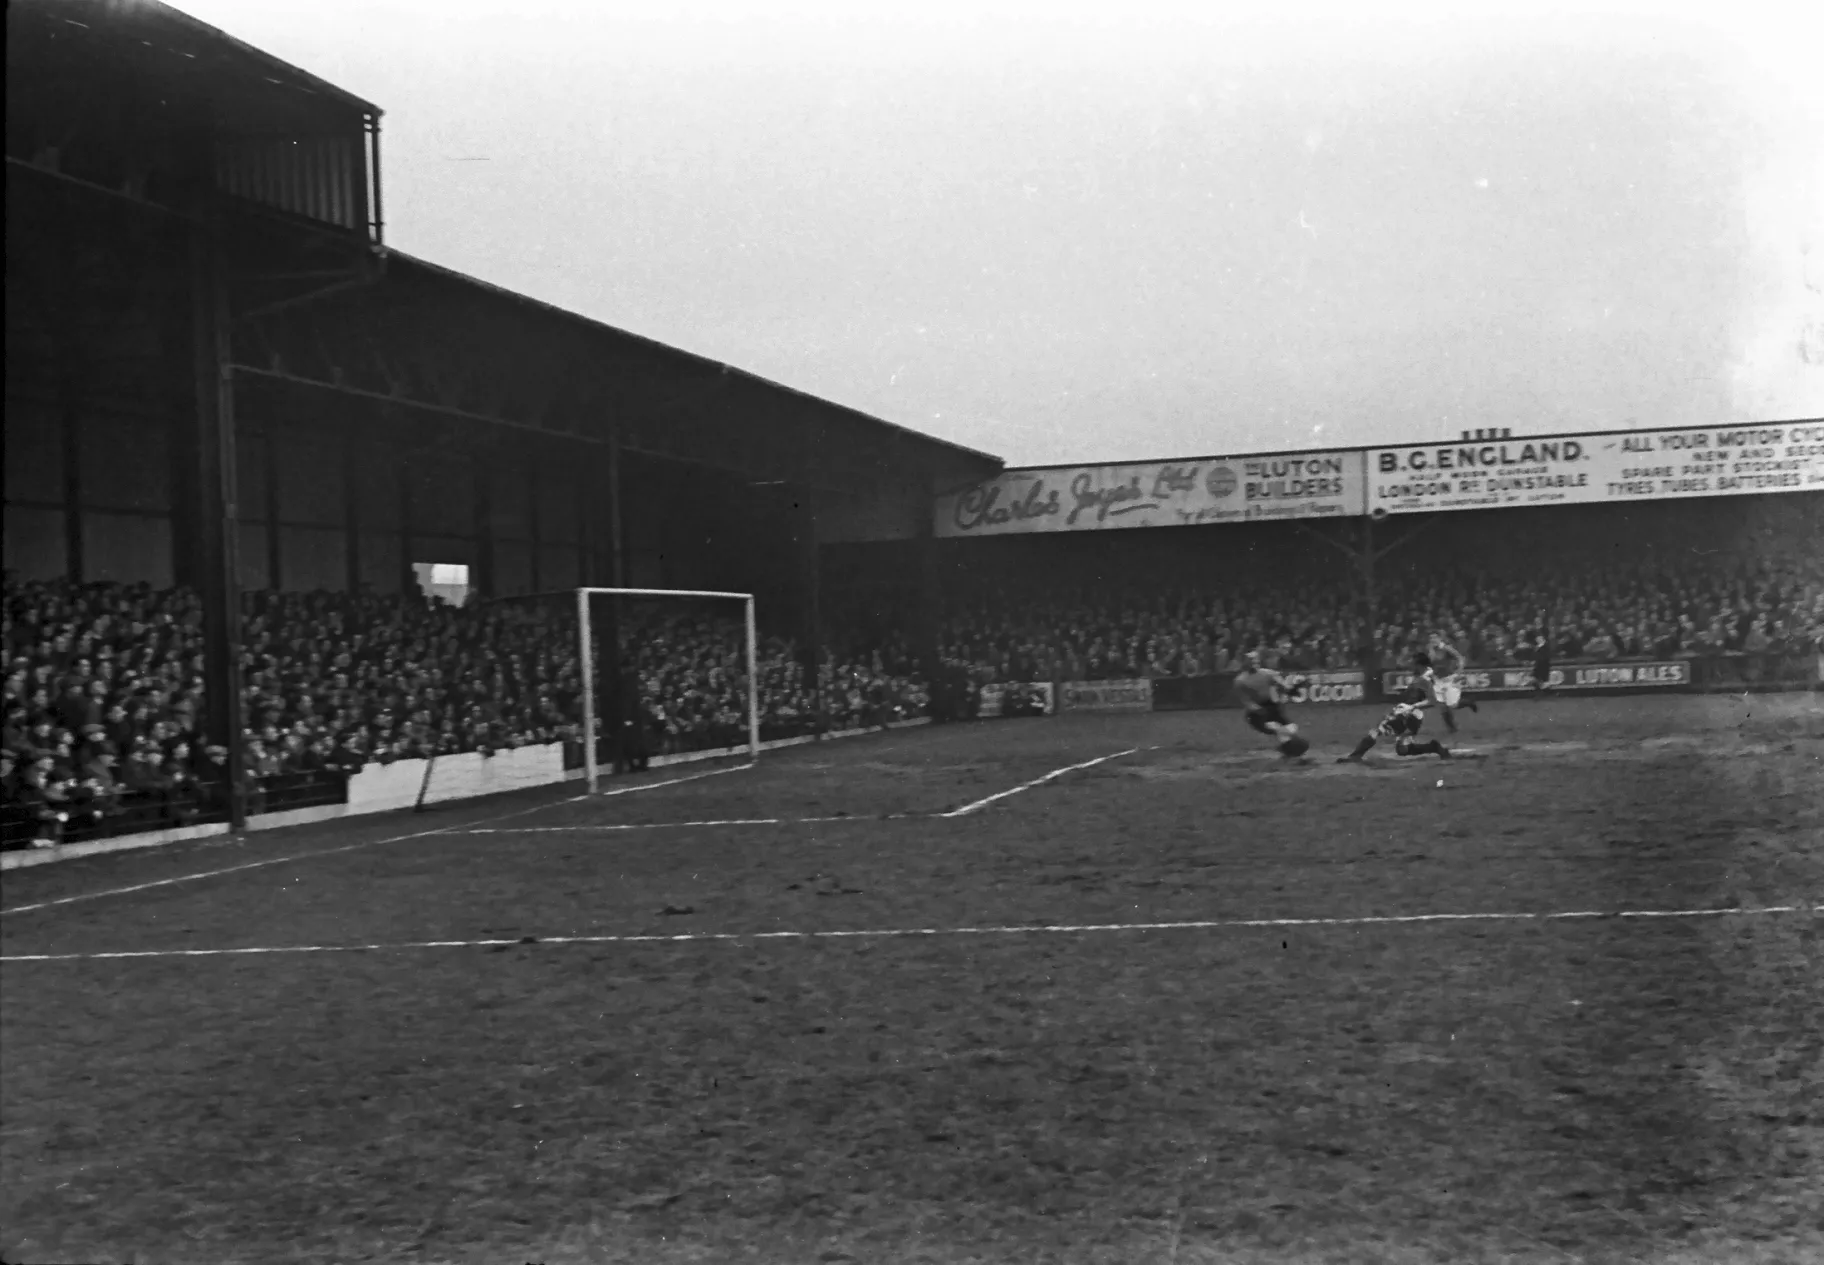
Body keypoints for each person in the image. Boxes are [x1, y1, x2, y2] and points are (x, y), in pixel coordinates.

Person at [1337, 654, 1451, 762]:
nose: (1411, 664)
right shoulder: (1421, 678)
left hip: (1406, 713)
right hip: (1414, 716)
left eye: (1413, 663)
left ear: (1419, 665)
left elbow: (1432, 701)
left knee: (1377, 731)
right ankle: (1434, 747)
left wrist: (1412, 706)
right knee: (1403, 749)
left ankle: (1355, 756)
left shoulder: (1424, 680)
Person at [1231, 650, 1310, 757]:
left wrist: (1294, 688)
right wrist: (1257, 709)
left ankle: (1288, 749)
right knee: (1276, 727)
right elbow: (1246, 701)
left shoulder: (1268, 674)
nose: (1254, 662)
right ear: (1244, 662)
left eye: (1255, 659)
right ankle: (1293, 747)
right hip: (1256, 713)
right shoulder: (1240, 681)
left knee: (1291, 727)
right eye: (1250, 660)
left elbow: (1285, 688)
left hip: (1271, 707)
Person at [1427, 634, 1479, 733]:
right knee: (1442, 706)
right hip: (1438, 680)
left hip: (1449, 679)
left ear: (1439, 638)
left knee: (1452, 705)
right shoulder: (1431, 651)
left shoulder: (1447, 649)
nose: (1432, 640)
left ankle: (1469, 702)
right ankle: (1451, 728)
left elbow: (1460, 658)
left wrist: (1458, 672)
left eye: (1434, 638)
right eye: (1431, 638)